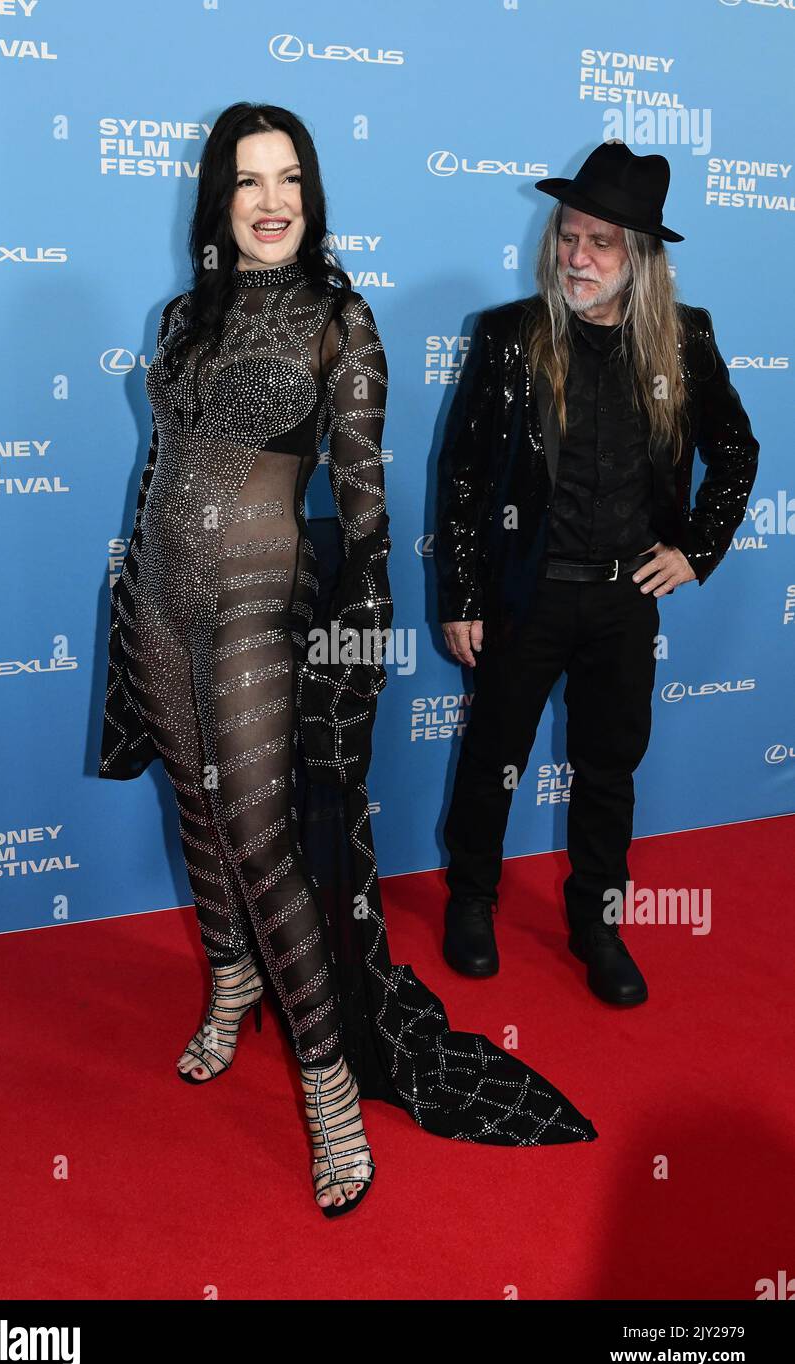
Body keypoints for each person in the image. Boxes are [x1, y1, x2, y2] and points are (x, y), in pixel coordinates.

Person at [99, 103, 598, 1221]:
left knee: (264, 839)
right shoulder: (183, 315)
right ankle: (231, 983)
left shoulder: (341, 322)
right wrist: (128, 593)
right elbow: (156, 470)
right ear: (217, 201)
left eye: (287, 180)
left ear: (310, 196)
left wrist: (352, 660)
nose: (269, 202)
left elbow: (366, 519)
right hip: (159, 599)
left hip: (256, 607)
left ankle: (324, 1081)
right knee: (196, 808)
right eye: (245, 181)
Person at [436, 140, 759, 1003]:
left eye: (602, 243)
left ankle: (596, 923)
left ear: (641, 258)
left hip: (624, 601)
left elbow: (737, 453)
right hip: (526, 596)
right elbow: (464, 475)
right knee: (492, 756)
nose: (579, 257)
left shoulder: (684, 342)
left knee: (609, 770)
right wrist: (463, 595)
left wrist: (697, 548)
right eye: (569, 237)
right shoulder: (511, 337)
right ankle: (471, 900)